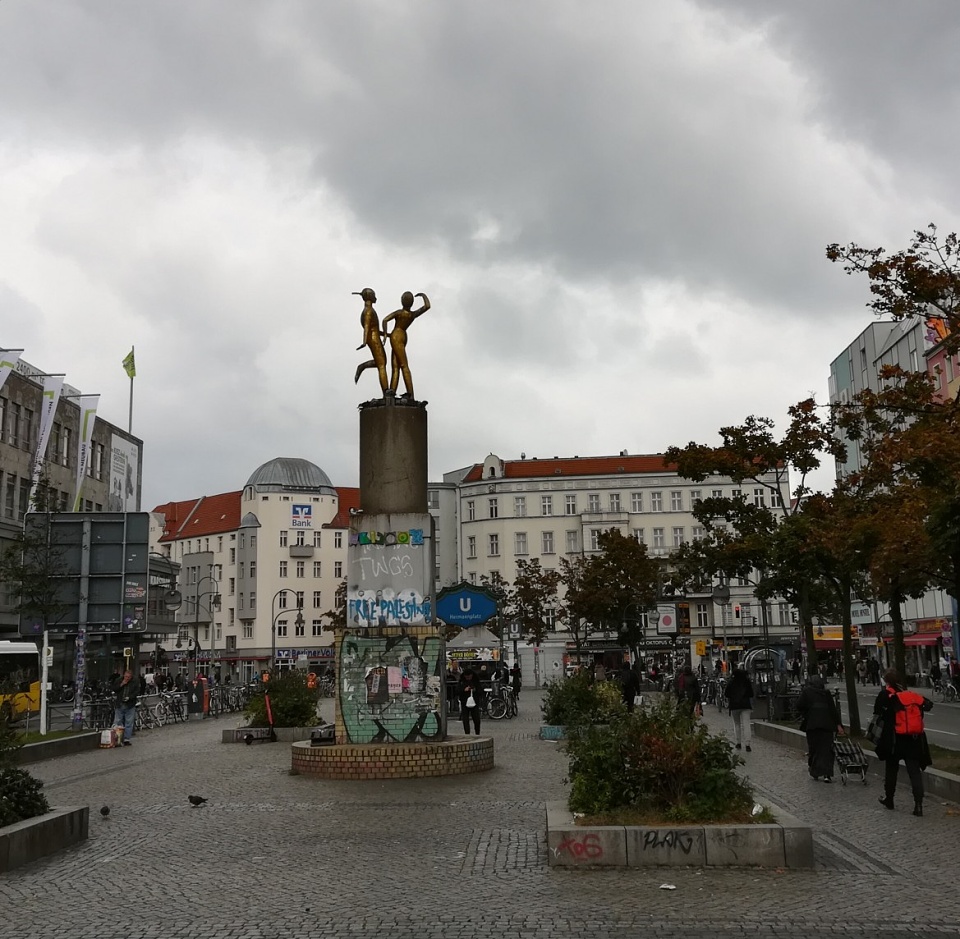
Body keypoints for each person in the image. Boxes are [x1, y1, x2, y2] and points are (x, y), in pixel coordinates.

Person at [874, 668, 933, 816]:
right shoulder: (910, 695)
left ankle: (889, 799)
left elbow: (877, 712)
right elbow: (927, 705)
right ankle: (918, 805)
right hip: (913, 739)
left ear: (886, 681)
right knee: (914, 772)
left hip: (894, 740)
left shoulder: (886, 695)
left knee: (891, 770)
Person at [381, 291, 430, 398]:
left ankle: (410, 393)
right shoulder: (412, 315)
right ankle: (392, 391)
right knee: (396, 366)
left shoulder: (399, 313)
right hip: (403, 336)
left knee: (403, 365)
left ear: (402, 301)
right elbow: (427, 306)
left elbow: (385, 320)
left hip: (396, 336)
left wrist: (384, 334)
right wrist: (423, 296)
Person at [797, 675, 843, 782]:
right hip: (827, 725)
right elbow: (833, 710)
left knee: (814, 749)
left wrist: (806, 713)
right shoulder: (826, 693)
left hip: (813, 725)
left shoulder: (807, 692)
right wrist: (838, 725)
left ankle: (815, 771)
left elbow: (799, 705)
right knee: (827, 750)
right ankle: (827, 774)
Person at [353, 287, 389, 394]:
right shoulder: (368, 311)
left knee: (381, 362)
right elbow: (367, 326)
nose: (375, 298)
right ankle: (386, 391)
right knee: (381, 364)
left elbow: (374, 328)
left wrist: (387, 335)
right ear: (369, 297)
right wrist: (364, 342)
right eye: (374, 295)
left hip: (374, 337)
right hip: (373, 339)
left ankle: (362, 366)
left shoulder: (369, 310)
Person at [725, 666, 755, 752]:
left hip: (734, 706)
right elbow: (751, 694)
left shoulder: (731, 682)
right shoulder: (746, 682)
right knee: (746, 724)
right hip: (746, 705)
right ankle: (747, 744)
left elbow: (726, 694)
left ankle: (738, 743)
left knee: (737, 724)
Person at [111, 669, 138, 746]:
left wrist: (130, 697)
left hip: (130, 705)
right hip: (120, 704)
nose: (127, 678)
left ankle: (126, 739)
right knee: (117, 721)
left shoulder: (135, 681)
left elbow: (136, 692)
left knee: (129, 722)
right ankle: (117, 738)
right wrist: (122, 684)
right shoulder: (119, 680)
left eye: (128, 677)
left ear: (131, 677)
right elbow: (114, 689)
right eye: (126, 676)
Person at [458, 667, 484, 736]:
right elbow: (457, 690)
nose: (468, 678)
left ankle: (477, 732)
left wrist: (475, 690)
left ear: (472, 675)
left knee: (476, 719)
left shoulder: (476, 681)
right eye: (467, 677)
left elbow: (481, 690)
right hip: (464, 702)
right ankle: (467, 733)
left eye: (469, 677)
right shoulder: (461, 681)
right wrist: (464, 689)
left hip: (474, 702)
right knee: (465, 719)